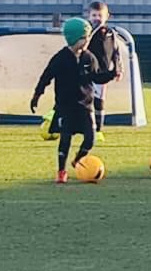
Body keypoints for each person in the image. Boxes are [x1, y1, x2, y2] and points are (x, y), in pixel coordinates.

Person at [32, 16, 104, 183]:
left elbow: (96, 77)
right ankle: (61, 171)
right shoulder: (60, 58)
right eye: (84, 37)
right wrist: (37, 94)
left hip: (86, 105)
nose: (87, 41)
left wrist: (111, 74)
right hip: (65, 106)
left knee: (90, 138)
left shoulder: (89, 57)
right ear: (74, 39)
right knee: (65, 138)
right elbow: (46, 76)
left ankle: (78, 160)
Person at [85, 1, 122, 137]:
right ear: (89, 16)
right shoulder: (87, 32)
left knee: (99, 100)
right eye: (94, 15)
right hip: (86, 71)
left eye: (100, 15)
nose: (97, 18)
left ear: (107, 16)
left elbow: (116, 52)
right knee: (85, 99)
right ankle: (86, 126)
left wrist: (118, 68)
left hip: (103, 73)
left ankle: (98, 129)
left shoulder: (110, 33)